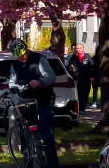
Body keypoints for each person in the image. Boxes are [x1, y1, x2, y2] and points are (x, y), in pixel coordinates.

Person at [8, 39, 59, 168]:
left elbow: (51, 76)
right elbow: (12, 81)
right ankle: (28, 161)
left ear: (27, 50)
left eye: (23, 56)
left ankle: (53, 164)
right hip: (26, 100)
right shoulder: (15, 65)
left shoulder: (39, 59)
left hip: (43, 98)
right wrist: (14, 89)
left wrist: (40, 82)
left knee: (46, 133)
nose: (22, 59)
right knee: (25, 131)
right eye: (19, 57)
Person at [65, 43, 95, 113]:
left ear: (83, 48)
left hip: (86, 79)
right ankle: (78, 108)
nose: (78, 49)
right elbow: (69, 66)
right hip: (77, 79)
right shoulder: (73, 57)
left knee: (85, 94)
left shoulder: (87, 57)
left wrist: (92, 76)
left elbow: (93, 67)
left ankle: (82, 108)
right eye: (77, 48)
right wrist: (72, 69)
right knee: (78, 94)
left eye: (80, 48)